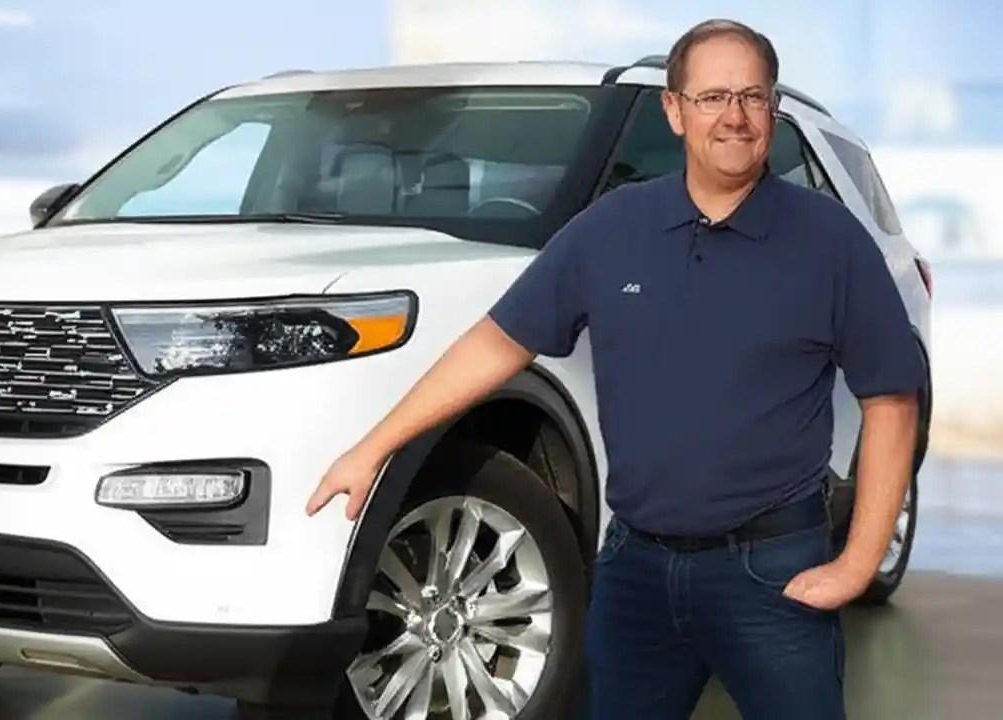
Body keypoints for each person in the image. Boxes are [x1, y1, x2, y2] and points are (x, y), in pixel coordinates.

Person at [305, 17, 923, 720]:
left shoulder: (829, 240)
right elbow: (494, 345)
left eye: (753, 97)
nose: (735, 116)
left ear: (773, 110)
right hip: (636, 572)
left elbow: (892, 400)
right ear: (674, 110)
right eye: (713, 97)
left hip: (770, 571)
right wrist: (375, 446)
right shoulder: (613, 228)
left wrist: (857, 561)